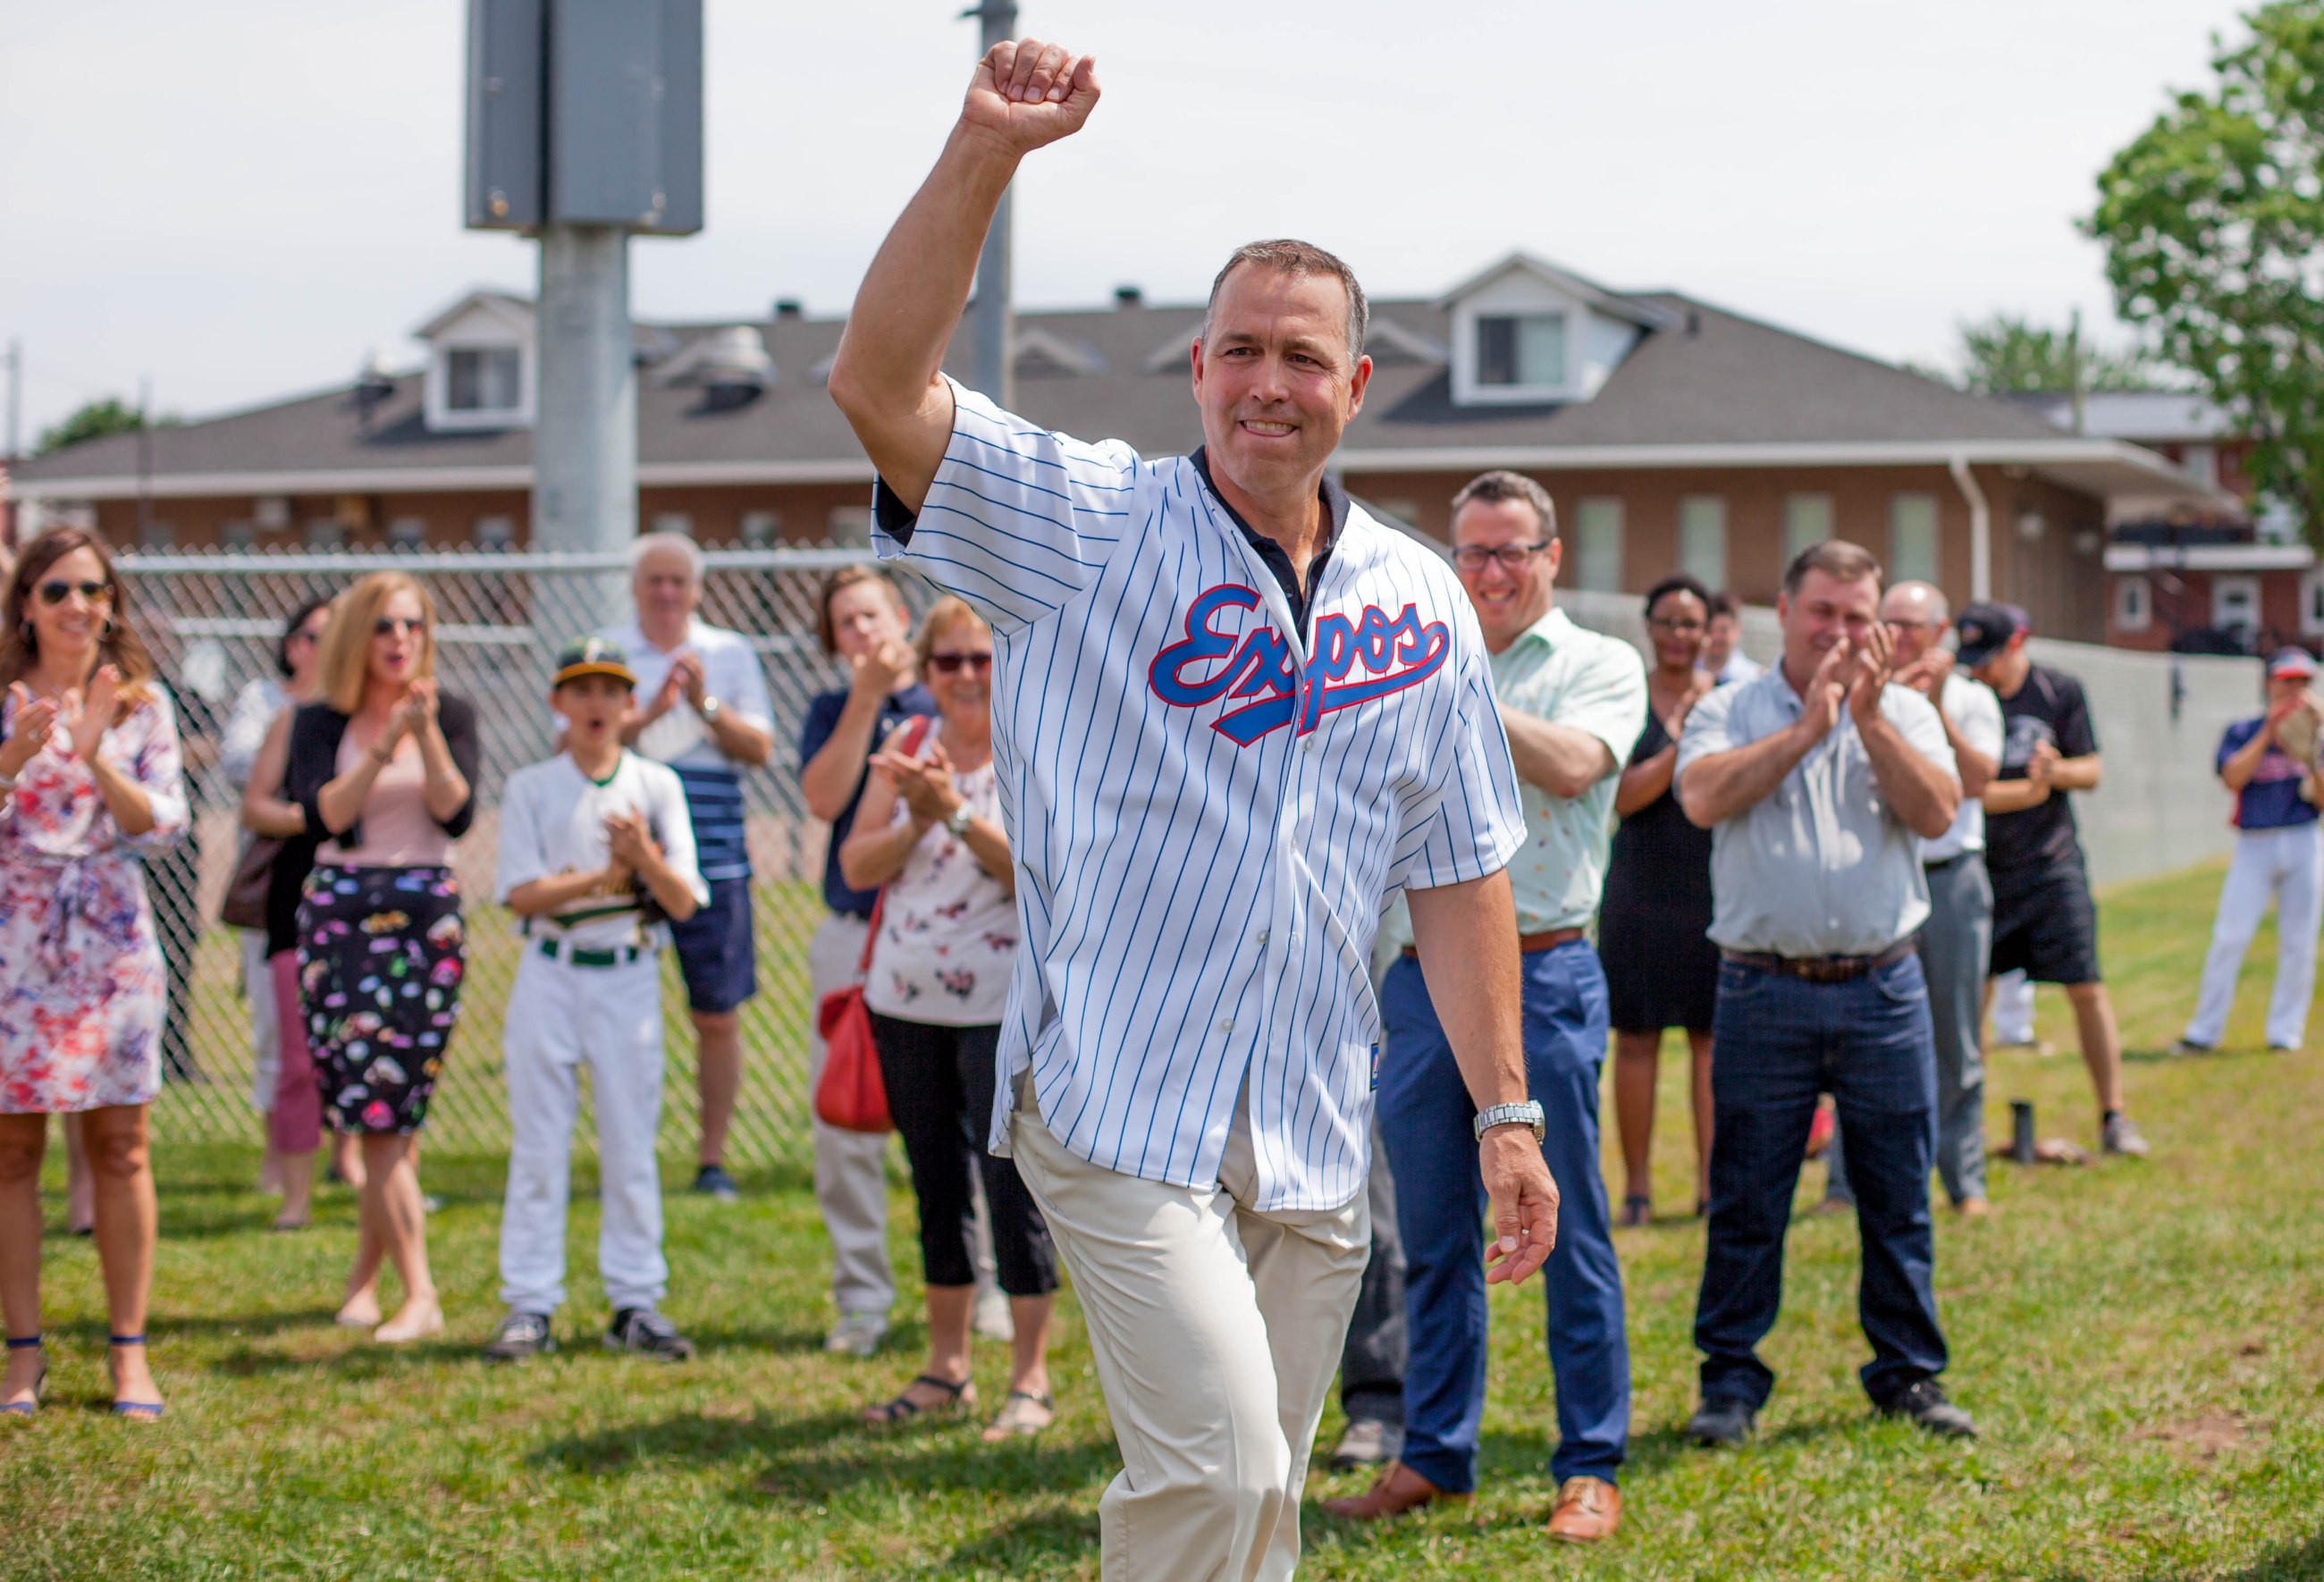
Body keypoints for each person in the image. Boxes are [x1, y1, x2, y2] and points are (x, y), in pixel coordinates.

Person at [828, 39, 1551, 1580]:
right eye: (1239, 350)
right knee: (1217, 1473)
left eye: (1302, 356)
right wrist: (984, 154)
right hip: (1119, 1105)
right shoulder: (1085, 524)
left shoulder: (1418, 597)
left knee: (1256, 1511)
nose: (1267, 383)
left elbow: (1461, 872)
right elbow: (878, 385)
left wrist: (1505, 1109)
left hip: (1307, 1122)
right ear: (1199, 369)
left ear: (1355, 385)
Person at [1327, 471, 1644, 1543]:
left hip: (1544, 971)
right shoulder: (1406, 666)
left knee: (1567, 1228)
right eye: (1470, 553)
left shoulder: (1598, 665)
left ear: (1552, 557)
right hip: (1416, 980)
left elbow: (1572, 765)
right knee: (1428, 1235)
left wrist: (1451, 680)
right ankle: (1434, 1453)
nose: (1490, 572)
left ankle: (1589, 1462)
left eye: (1511, 551)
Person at [1674, 541, 1975, 1447]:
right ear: (1783, 609)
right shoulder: (1728, 708)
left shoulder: (1908, 714)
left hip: (1882, 985)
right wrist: (1808, 726)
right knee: (1747, 1197)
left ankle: (1907, 1375)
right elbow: (1698, 798)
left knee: (1896, 1196)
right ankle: (1728, 1386)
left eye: (1857, 616)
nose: (1840, 631)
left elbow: (1935, 814)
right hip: (1762, 990)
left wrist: (1871, 720)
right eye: (1823, 612)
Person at [838, 596, 1060, 1440]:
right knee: (935, 1184)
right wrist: (913, 822)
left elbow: (1039, 876)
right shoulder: (904, 749)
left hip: (1000, 1004)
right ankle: (946, 1366)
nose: (967, 676)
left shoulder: (1031, 747)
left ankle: (1030, 1376)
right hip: (904, 999)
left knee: (1010, 1187)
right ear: (925, 673)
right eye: (948, 662)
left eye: (981, 658)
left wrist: (957, 817)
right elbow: (857, 863)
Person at [0, 526, 188, 1419]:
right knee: (10, 1155)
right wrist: (16, 755)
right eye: (57, 591)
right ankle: (24, 1357)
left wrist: (93, 751)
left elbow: (162, 826)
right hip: (15, 946)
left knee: (122, 1146)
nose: (78, 605)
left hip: (113, 945)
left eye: (93, 589)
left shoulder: (141, 707)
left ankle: (128, 1356)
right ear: (26, 608)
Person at [482, 637, 708, 1365]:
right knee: (541, 1143)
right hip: (550, 969)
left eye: (610, 689)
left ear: (629, 703)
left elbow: (683, 901)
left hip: (627, 970)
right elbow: (520, 893)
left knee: (629, 1141)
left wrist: (640, 860)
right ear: (558, 701)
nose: (596, 704)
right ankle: (530, 1302)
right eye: (581, 689)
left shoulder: (655, 784)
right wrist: (598, 876)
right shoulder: (532, 787)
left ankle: (636, 1299)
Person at [285, 572, 479, 1343]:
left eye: (412, 625)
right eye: (384, 626)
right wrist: (382, 745)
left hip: (424, 920)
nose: (399, 639)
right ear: (357, 636)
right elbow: (324, 816)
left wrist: (423, 731)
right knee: (371, 1113)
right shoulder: (317, 721)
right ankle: (388, 1286)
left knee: (389, 1116)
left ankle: (407, 1291)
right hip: (341, 913)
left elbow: (457, 813)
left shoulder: (453, 712)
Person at [597, 534, 775, 1201]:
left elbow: (759, 747)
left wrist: (704, 705)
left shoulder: (730, 653)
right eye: (655, 581)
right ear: (635, 587)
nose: (667, 593)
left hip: (716, 859)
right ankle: (624, 1155)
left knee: (717, 1016)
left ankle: (711, 1159)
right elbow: (578, 739)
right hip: (630, 864)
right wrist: (649, 713)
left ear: (696, 590)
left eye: (679, 581)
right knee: (617, 1010)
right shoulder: (608, 652)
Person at [1823, 581, 2005, 1218]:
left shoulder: (1972, 697)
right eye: (1889, 623)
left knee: (1955, 1037)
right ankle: (1846, 1185)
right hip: (1876, 876)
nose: (1899, 636)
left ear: (1942, 631)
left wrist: (1935, 706)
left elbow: (1980, 779)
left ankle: (1964, 1178)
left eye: (1912, 625)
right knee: (1854, 1033)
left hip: (1950, 875)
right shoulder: (1854, 692)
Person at [797, 566, 937, 1357]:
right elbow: (822, 800)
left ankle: (981, 1281)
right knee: (845, 1124)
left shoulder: (949, 694)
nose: (862, 633)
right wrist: (862, 701)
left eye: (870, 616)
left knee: (960, 1117)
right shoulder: (832, 709)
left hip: (944, 933)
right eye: (844, 624)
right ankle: (862, 1297)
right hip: (855, 935)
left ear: (902, 617)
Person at [1957, 603, 2148, 1157]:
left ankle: (2113, 1116)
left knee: (2087, 988)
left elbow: (2091, 769)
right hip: (1984, 866)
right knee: (1974, 998)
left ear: (2017, 644)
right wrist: (2026, 789)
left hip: (2050, 864)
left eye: (1987, 657)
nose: (1979, 670)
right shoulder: (1964, 698)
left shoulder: (2058, 689)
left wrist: (2054, 771)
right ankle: (1966, 1129)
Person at [1602, 572, 1719, 1224]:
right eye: (1668, 621)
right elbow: (1621, 795)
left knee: (1709, 1038)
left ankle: (1709, 1186)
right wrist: (1681, 739)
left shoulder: (1727, 698)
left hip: (1709, 884)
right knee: (1638, 1038)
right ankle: (1638, 1190)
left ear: (1709, 632)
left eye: (1691, 623)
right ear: (1648, 627)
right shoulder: (1625, 697)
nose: (1679, 635)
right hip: (1640, 886)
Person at [223, 593, 341, 1216]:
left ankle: (346, 1157)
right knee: (278, 1031)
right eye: (319, 636)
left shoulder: (359, 707)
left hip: (345, 889)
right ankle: (279, 1155)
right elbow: (239, 767)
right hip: (278, 886)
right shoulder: (265, 703)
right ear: (295, 645)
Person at [2177, 647, 2324, 1055]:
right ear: (2270, 683)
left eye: (2303, 682)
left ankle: (2285, 1032)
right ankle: (2204, 1031)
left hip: (2303, 838)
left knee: (2299, 942)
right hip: (2254, 844)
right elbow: (2232, 777)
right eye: (2287, 680)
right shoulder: (2242, 730)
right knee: (2230, 936)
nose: (2295, 689)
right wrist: (2270, 732)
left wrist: (2312, 753)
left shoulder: (2319, 732)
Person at [1702, 592, 1764, 686]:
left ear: (1738, 629)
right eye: (1710, 629)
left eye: (1723, 630)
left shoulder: (1755, 678)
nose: (1716, 637)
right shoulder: (1687, 672)